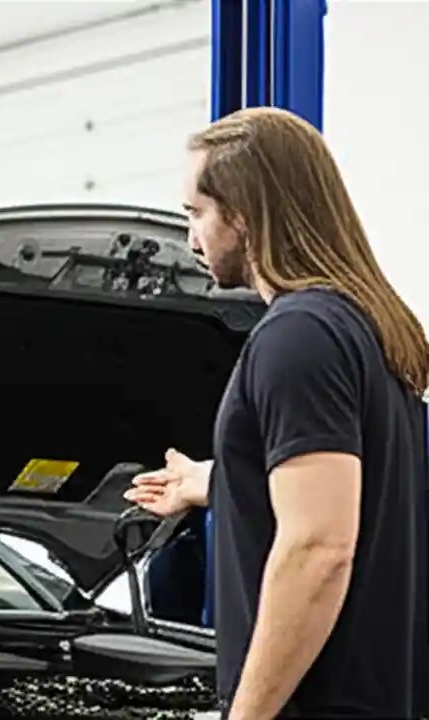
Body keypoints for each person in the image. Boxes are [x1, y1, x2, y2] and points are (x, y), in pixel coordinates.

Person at [124, 107, 429, 719]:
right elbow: (348, 492)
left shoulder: (298, 337)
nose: (189, 239)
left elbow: (319, 546)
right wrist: (216, 480)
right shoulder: (366, 328)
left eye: (196, 214)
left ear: (242, 213)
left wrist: (247, 715)